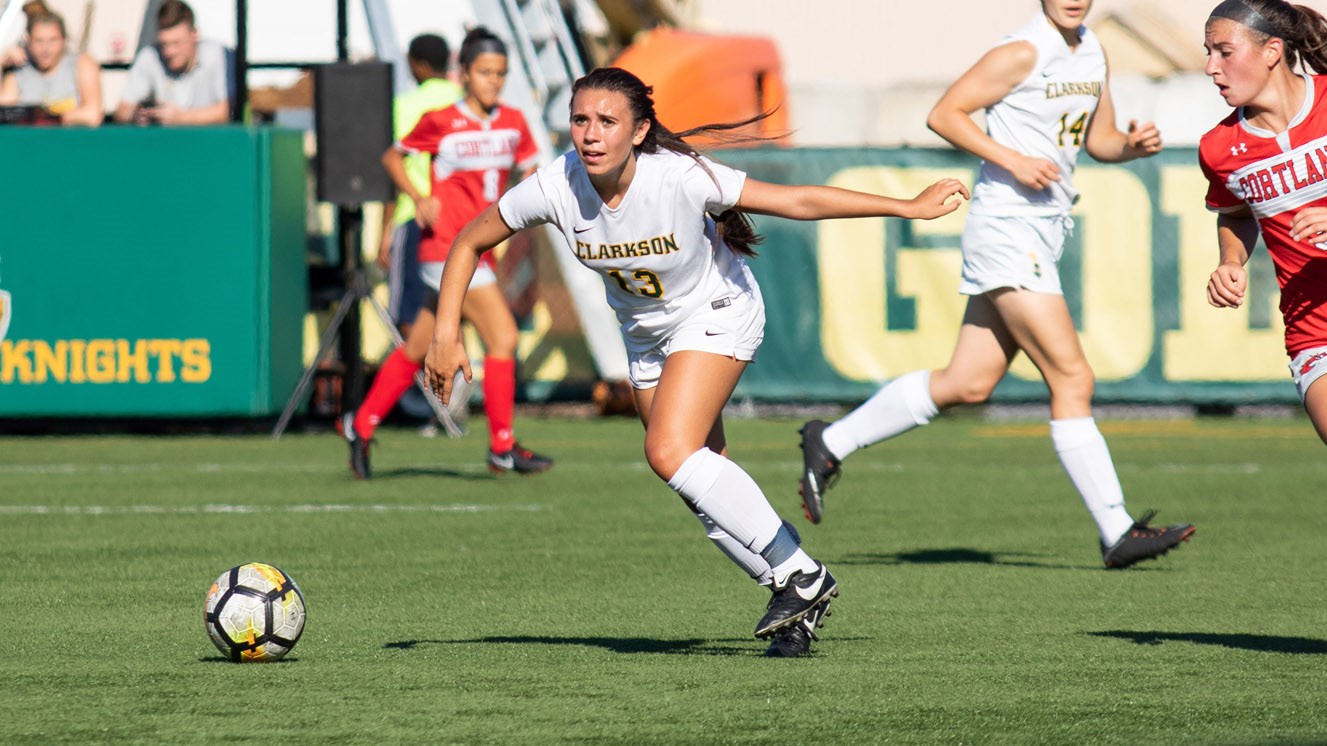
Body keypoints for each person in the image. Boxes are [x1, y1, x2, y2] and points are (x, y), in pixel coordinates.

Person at [421, 66, 969, 657]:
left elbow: (799, 199)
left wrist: (907, 207)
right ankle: (791, 601)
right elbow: (469, 240)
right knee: (701, 482)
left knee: (667, 453)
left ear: (639, 131)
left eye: (608, 121)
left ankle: (803, 577)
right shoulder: (557, 185)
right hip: (646, 337)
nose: (591, 134)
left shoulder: (679, 177)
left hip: (718, 310)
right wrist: (445, 332)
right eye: (581, 120)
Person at [796, 0, 1196, 570]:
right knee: (1073, 375)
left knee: (969, 382)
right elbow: (946, 113)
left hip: (1039, 231)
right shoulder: (1021, 51)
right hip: (1009, 230)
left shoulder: (1092, 50)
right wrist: (1011, 158)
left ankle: (829, 442)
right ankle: (1116, 530)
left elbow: (1100, 139)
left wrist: (1133, 146)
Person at [339, 27, 552, 479]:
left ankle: (361, 425)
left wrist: (528, 194)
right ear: (464, 74)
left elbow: (532, 170)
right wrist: (419, 197)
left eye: (500, 73)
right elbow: (392, 158)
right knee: (503, 338)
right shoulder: (442, 120)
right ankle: (502, 447)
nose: (493, 81)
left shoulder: (513, 121)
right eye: (484, 72)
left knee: (419, 344)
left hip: (484, 252)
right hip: (447, 249)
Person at [1202, 0, 1327, 444]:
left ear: (1272, 51)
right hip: (1315, 329)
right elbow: (1236, 212)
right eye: (1208, 52)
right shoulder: (1218, 148)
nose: (1210, 67)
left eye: (1224, 52)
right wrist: (1230, 260)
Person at [379, 33, 464, 339]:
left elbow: (394, 166)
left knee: (410, 316)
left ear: (419, 65)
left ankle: (417, 387)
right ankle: (451, 387)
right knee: (453, 313)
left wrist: (385, 231)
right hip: (462, 220)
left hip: (416, 218)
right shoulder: (465, 102)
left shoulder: (405, 105)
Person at [112, 0, 230, 125]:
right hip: (162, 142)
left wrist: (181, 118)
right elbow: (121, 112)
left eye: (176, 43)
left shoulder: (217, 54)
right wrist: (137, 115)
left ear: (194, 34)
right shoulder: (150, 56)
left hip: (209, 142)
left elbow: (225, 112)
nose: (169, 52)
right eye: (164, 44)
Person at [0, 1, 103, 126]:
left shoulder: (82, 63)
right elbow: (4, 109)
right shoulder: (20, 70)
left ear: (63, 40)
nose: (46, 49)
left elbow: (92, 114)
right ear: (28, 43)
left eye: (52, 40)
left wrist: (48, 118)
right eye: (39, 41)